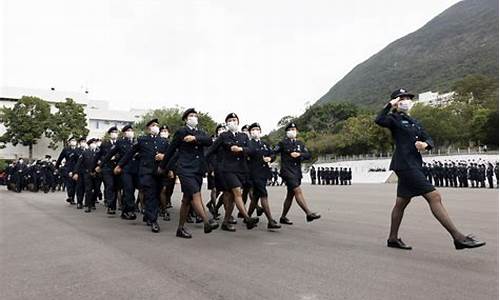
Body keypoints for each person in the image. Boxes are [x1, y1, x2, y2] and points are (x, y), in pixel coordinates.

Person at [375, 88, 485, 250]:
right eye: (402, 98)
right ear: (396, 102)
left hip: (415, 165)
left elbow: (429, 138)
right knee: (434, 196)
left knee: (401, 202)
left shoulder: (414, 122)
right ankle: (458, 237)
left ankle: (392, 238)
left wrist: (425, 145)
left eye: (407, 98)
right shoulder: (393, 119)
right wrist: (389, 105)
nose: (406, 100)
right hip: (405, 165)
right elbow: (379, 119)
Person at [160, 108, 219, 238]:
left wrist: (195, 138)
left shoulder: (200, 132)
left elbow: (209, 140)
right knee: (195, 194)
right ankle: (206, 221)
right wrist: (163, 166)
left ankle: (180, 228)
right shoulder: (181, 132)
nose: (194, 118)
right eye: (191, 116)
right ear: (186, 119)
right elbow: (171, 149)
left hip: (198, 169)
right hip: (185, 168)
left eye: (195, 116)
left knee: (186, 199)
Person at [205, 112, 259, 232]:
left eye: (234, 120)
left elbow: (251, 150)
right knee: (237, 192)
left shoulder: (243, 136)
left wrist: (241, 149)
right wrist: (209, 166)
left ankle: (225, 222)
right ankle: (247, 218)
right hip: (227, 170)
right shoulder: (223, 136)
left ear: (238, 122)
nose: (232, 122)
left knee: (231, 197)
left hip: (241, 170)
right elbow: (211, 150)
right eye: (229, 120)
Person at [115, 119, 165, 233]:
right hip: (146, 172)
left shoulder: (163, 141)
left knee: (156, 196)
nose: (156, 127)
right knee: (150, 194)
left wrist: (164, 157)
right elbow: (130, 153)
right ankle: (153, 221)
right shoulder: (142, 140)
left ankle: (148, 215)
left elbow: (171, 154)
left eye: (157, 125)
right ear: (148, 128)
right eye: (153, 125)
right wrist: (120, 165)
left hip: (159, 172)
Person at [273, 122, 320, 225]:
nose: (292, 132)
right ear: (286, 132)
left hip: (297, 172)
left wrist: (299, 154)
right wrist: (269, 159)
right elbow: (273, 153)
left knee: (290, 195)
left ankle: (283, 217)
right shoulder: (282, 143)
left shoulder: (300, 144)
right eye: (289, 130)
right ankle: (308, 213)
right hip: (287, 171)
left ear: (297, 131)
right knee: (297, 190)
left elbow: (308, 155)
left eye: (294, 130)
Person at [98, 124, 138, 220]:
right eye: (128, 131)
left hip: (135, 170)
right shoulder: (120, 142)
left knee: (131, 190)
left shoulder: (137, 142)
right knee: (127, 189)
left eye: (131, 130)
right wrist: (100, 165)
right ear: (124, 133)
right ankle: (129, 210)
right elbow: (109, 154)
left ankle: (125, 211)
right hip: (124, 169)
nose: (130, 132)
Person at [246, 122, 281, 229]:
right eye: (252, 130)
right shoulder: (248, 143)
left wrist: (270, 158)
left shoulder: (264, 144)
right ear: (250, 132)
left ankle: (247, 217)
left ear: (260, 131)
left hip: (264, 173)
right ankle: (270, 220)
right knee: (263, 195)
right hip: (253, 173)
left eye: (257, 129)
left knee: (255, 197)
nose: (255, 131)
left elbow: (272, 154)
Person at [73, 138, 100, 213]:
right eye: (92, 143)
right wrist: (75, 172)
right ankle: (87, 205)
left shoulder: (99, 152)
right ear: (89, 144)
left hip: (97, 174)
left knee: (97, 189)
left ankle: (93, 202)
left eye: (95, 143)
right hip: (87, 173)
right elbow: (78, 163)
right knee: (88, 189)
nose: (94, 144)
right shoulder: (85, 153)